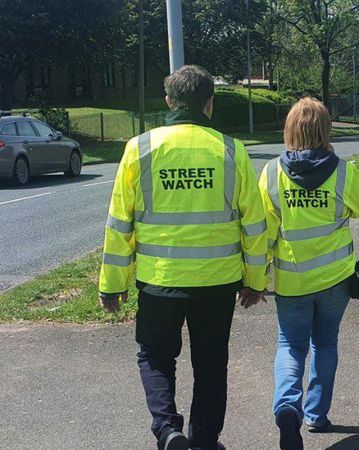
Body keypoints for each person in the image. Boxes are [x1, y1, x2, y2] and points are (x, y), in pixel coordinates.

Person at [98, 65, 268, 450]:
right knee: (210, 365)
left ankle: (168, 429)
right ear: (209, 103)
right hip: (216, 282)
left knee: (156, 358)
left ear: (169, 101)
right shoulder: (231, 150)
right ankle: (205, 441)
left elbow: (119, 226)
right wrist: (255, 281)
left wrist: (112, 286)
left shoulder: (138, 149)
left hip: (160, 281)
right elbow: (254, 226)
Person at [259, 97, 359, 450]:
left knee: (290, 346)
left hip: (292, 281)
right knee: (325, 343)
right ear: (326, 130)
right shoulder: (343, 172)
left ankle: (287, 407)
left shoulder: (272, 174)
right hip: (335, 281)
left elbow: (264, 232)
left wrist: (258, 278)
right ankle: (315, 415)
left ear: (289, 130)